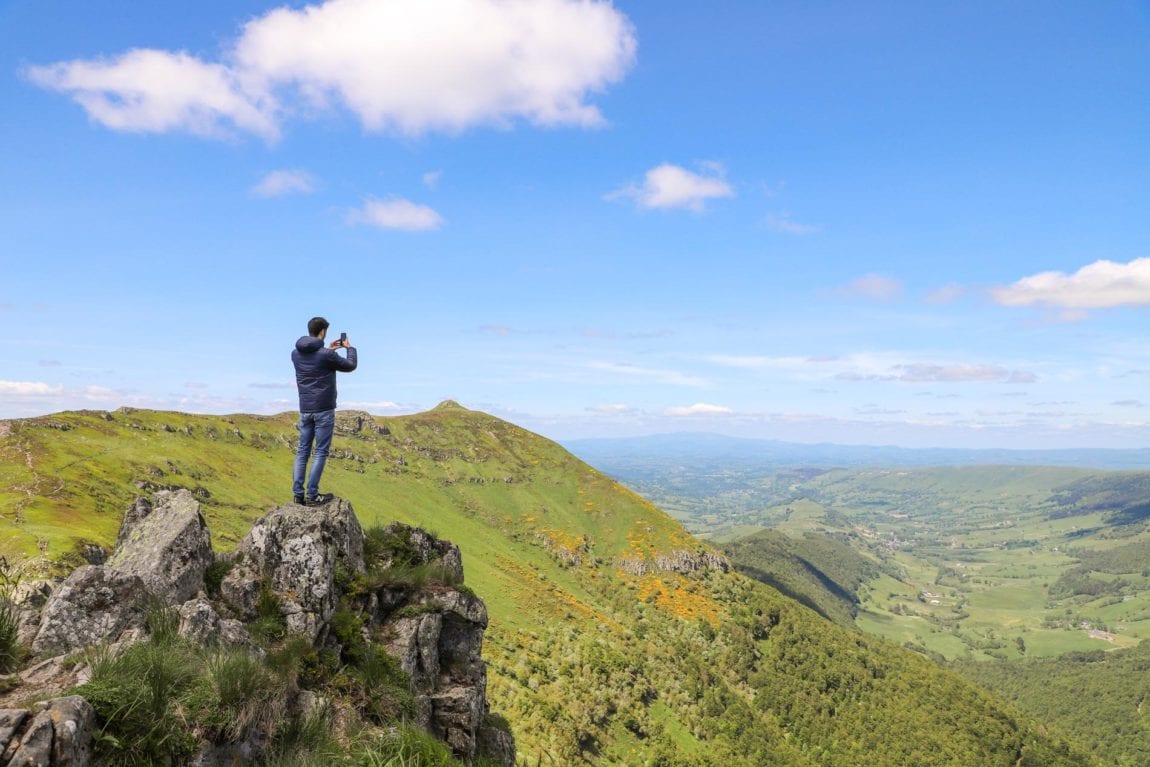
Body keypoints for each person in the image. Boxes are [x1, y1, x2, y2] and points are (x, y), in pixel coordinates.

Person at [291, 316, 357, 505]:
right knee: (320, 452)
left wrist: (327, 349)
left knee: (302, 451)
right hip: (324, 410)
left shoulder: (295, 354)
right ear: (322, 331)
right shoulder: (326, 355)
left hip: (305, 409)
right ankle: (312, 495)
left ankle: (298, 495)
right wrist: (349, 348)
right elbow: (350, 365)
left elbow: (314, 359)